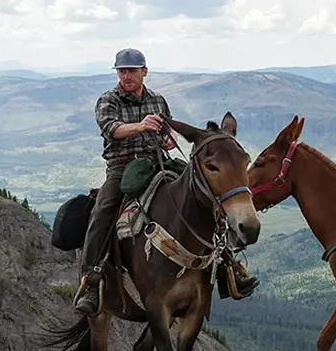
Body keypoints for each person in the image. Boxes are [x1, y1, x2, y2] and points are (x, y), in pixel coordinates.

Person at [73, 48, 260, 317]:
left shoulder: (158, 101)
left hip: (157, 160)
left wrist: (167, 141)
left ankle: (228, 266)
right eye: (122, 71)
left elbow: (165, 136)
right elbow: (111, 129)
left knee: (204, 191)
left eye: (132, 71)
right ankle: (92, 281)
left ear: (144, 72)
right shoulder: (108, 101)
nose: (126, 76)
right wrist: (140, 126)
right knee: (103, 210)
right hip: (121, 167)